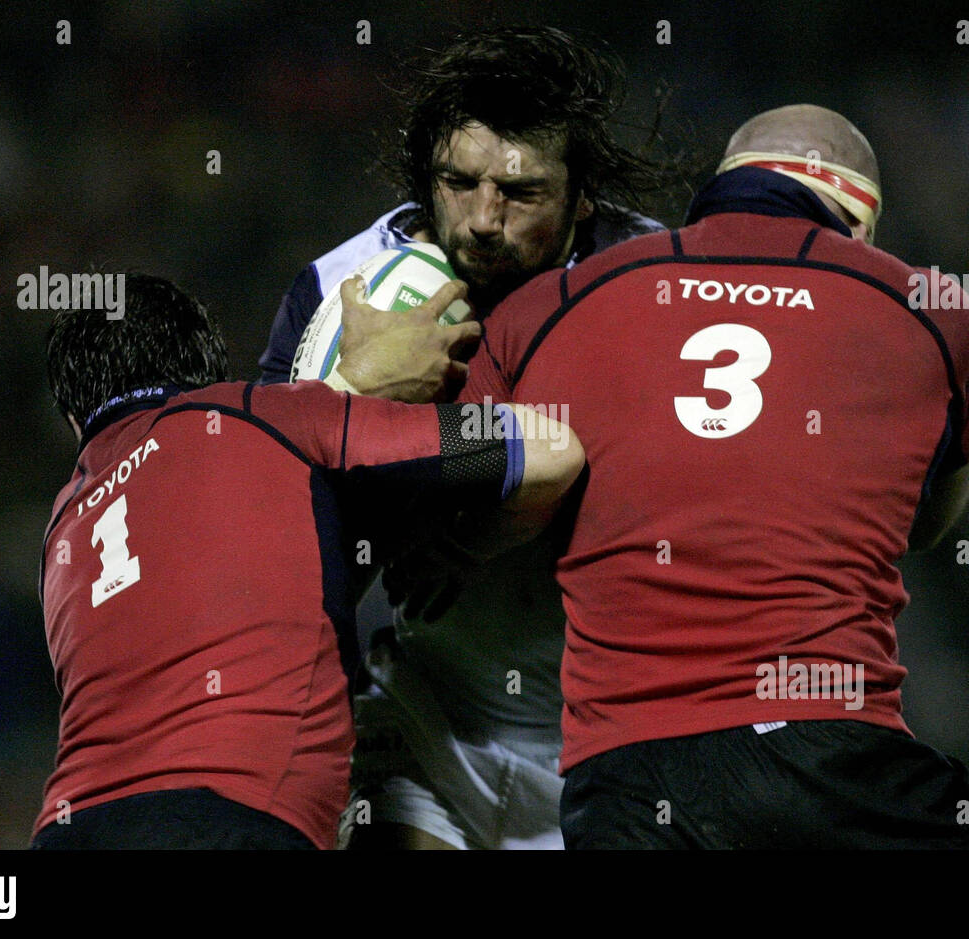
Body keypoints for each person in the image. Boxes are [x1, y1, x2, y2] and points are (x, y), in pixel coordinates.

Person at [457, 104, 969, 848]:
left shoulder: (543, 310)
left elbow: (462, 514)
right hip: (837, 760)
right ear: (860, 222)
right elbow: (928, 524)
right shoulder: (933, 310)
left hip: (627, 784)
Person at [257, 26, 665, 850]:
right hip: (427, 715)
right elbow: (270, 506)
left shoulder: (652, 283)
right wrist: (359, 411)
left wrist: (473, 530)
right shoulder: (344, 287)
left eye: (521, 194)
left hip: (614, 733)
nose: (483, 219)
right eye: (458, 182)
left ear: (583, 195)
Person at [31, 273, 582, 849]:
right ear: (210, 365)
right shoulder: (265, 417)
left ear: (74, 418)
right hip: (235, 820)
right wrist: (458, 546)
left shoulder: (60, 528)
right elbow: (549, 451)